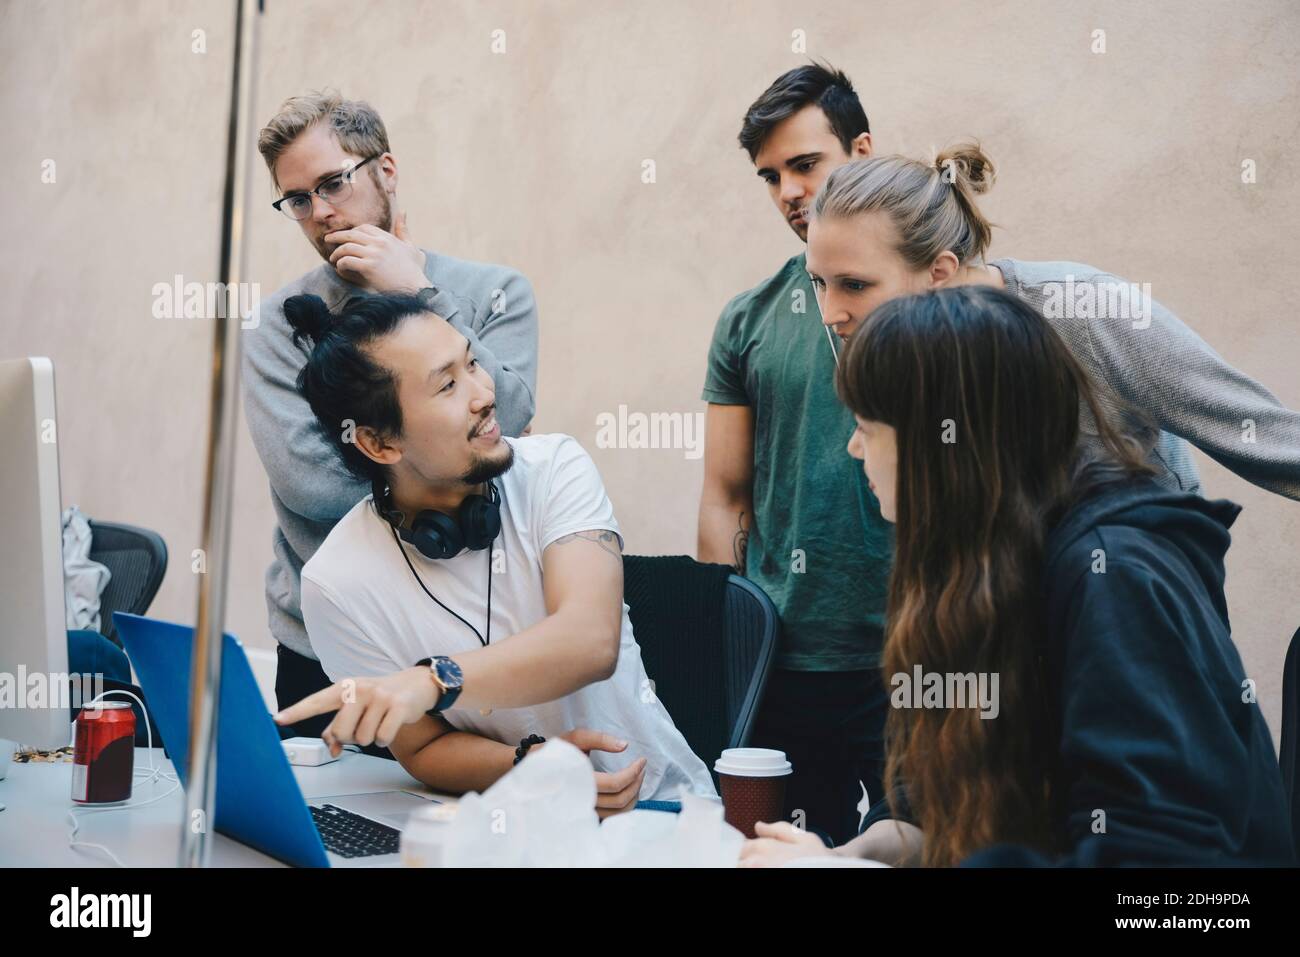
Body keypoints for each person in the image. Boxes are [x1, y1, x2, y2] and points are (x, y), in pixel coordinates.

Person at [741, 286, 1294, 866]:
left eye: (868, 425)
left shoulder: (1114, 578)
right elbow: (937, 811)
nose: (854, 448)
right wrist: (858, 853)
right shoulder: (981, 563)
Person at [272, 292, 716, 813]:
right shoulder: (337, 583)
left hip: (661, 813)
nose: (484, 393)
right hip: (510, 826)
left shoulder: (555, 467)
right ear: (380, 444)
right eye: (448, 384)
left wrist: (430, 680)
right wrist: (534, 768)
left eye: (473, 362)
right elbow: (424, 748)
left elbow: (591, 642)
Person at [242, 90, 540, 742]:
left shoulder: (496, 293)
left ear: (387, 171)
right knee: (328, 837)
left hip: (473, 646)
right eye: (297, 199)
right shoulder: (273, 326)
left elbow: (508, 418)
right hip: (326, 651)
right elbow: (315, 488)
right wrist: (446, 452)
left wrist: (417, 293)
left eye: (332, 183)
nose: (319, 213)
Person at [805, 143, 1300, 498]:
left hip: (1129, 610)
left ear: (939, 270)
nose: (830, 314)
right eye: (818, 283)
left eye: (855, 284)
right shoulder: (903, 355)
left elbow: (1263, 435)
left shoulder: (1086, 310)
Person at [698, 62, 891, 844]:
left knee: (918, 843)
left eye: (805, 163)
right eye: (769, 175)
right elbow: (723, 495)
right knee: (783, 854)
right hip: (784, 664)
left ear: (863, 151)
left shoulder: (927, 301)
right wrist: (729, 662)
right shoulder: (746, 319)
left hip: (909, 651)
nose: (786, 190)